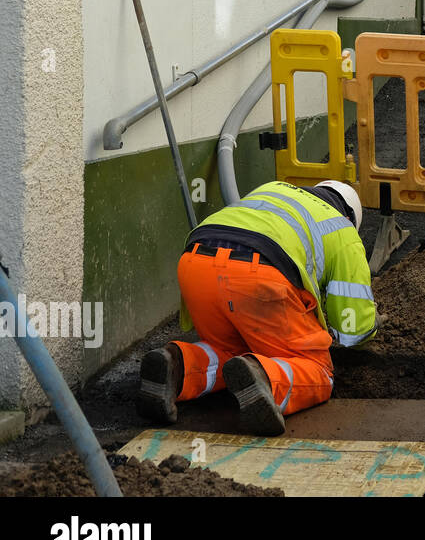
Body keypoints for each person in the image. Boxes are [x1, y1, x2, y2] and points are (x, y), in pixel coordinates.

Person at [137, 179, 377, 436]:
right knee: (317, 369)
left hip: (195, 262)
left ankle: (176, 366)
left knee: (231, 347)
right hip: (258, 274)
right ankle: (266, 378)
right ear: (351, 216)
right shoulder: (342, 228)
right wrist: (370, 327)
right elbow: (353, 328)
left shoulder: (274, 189)